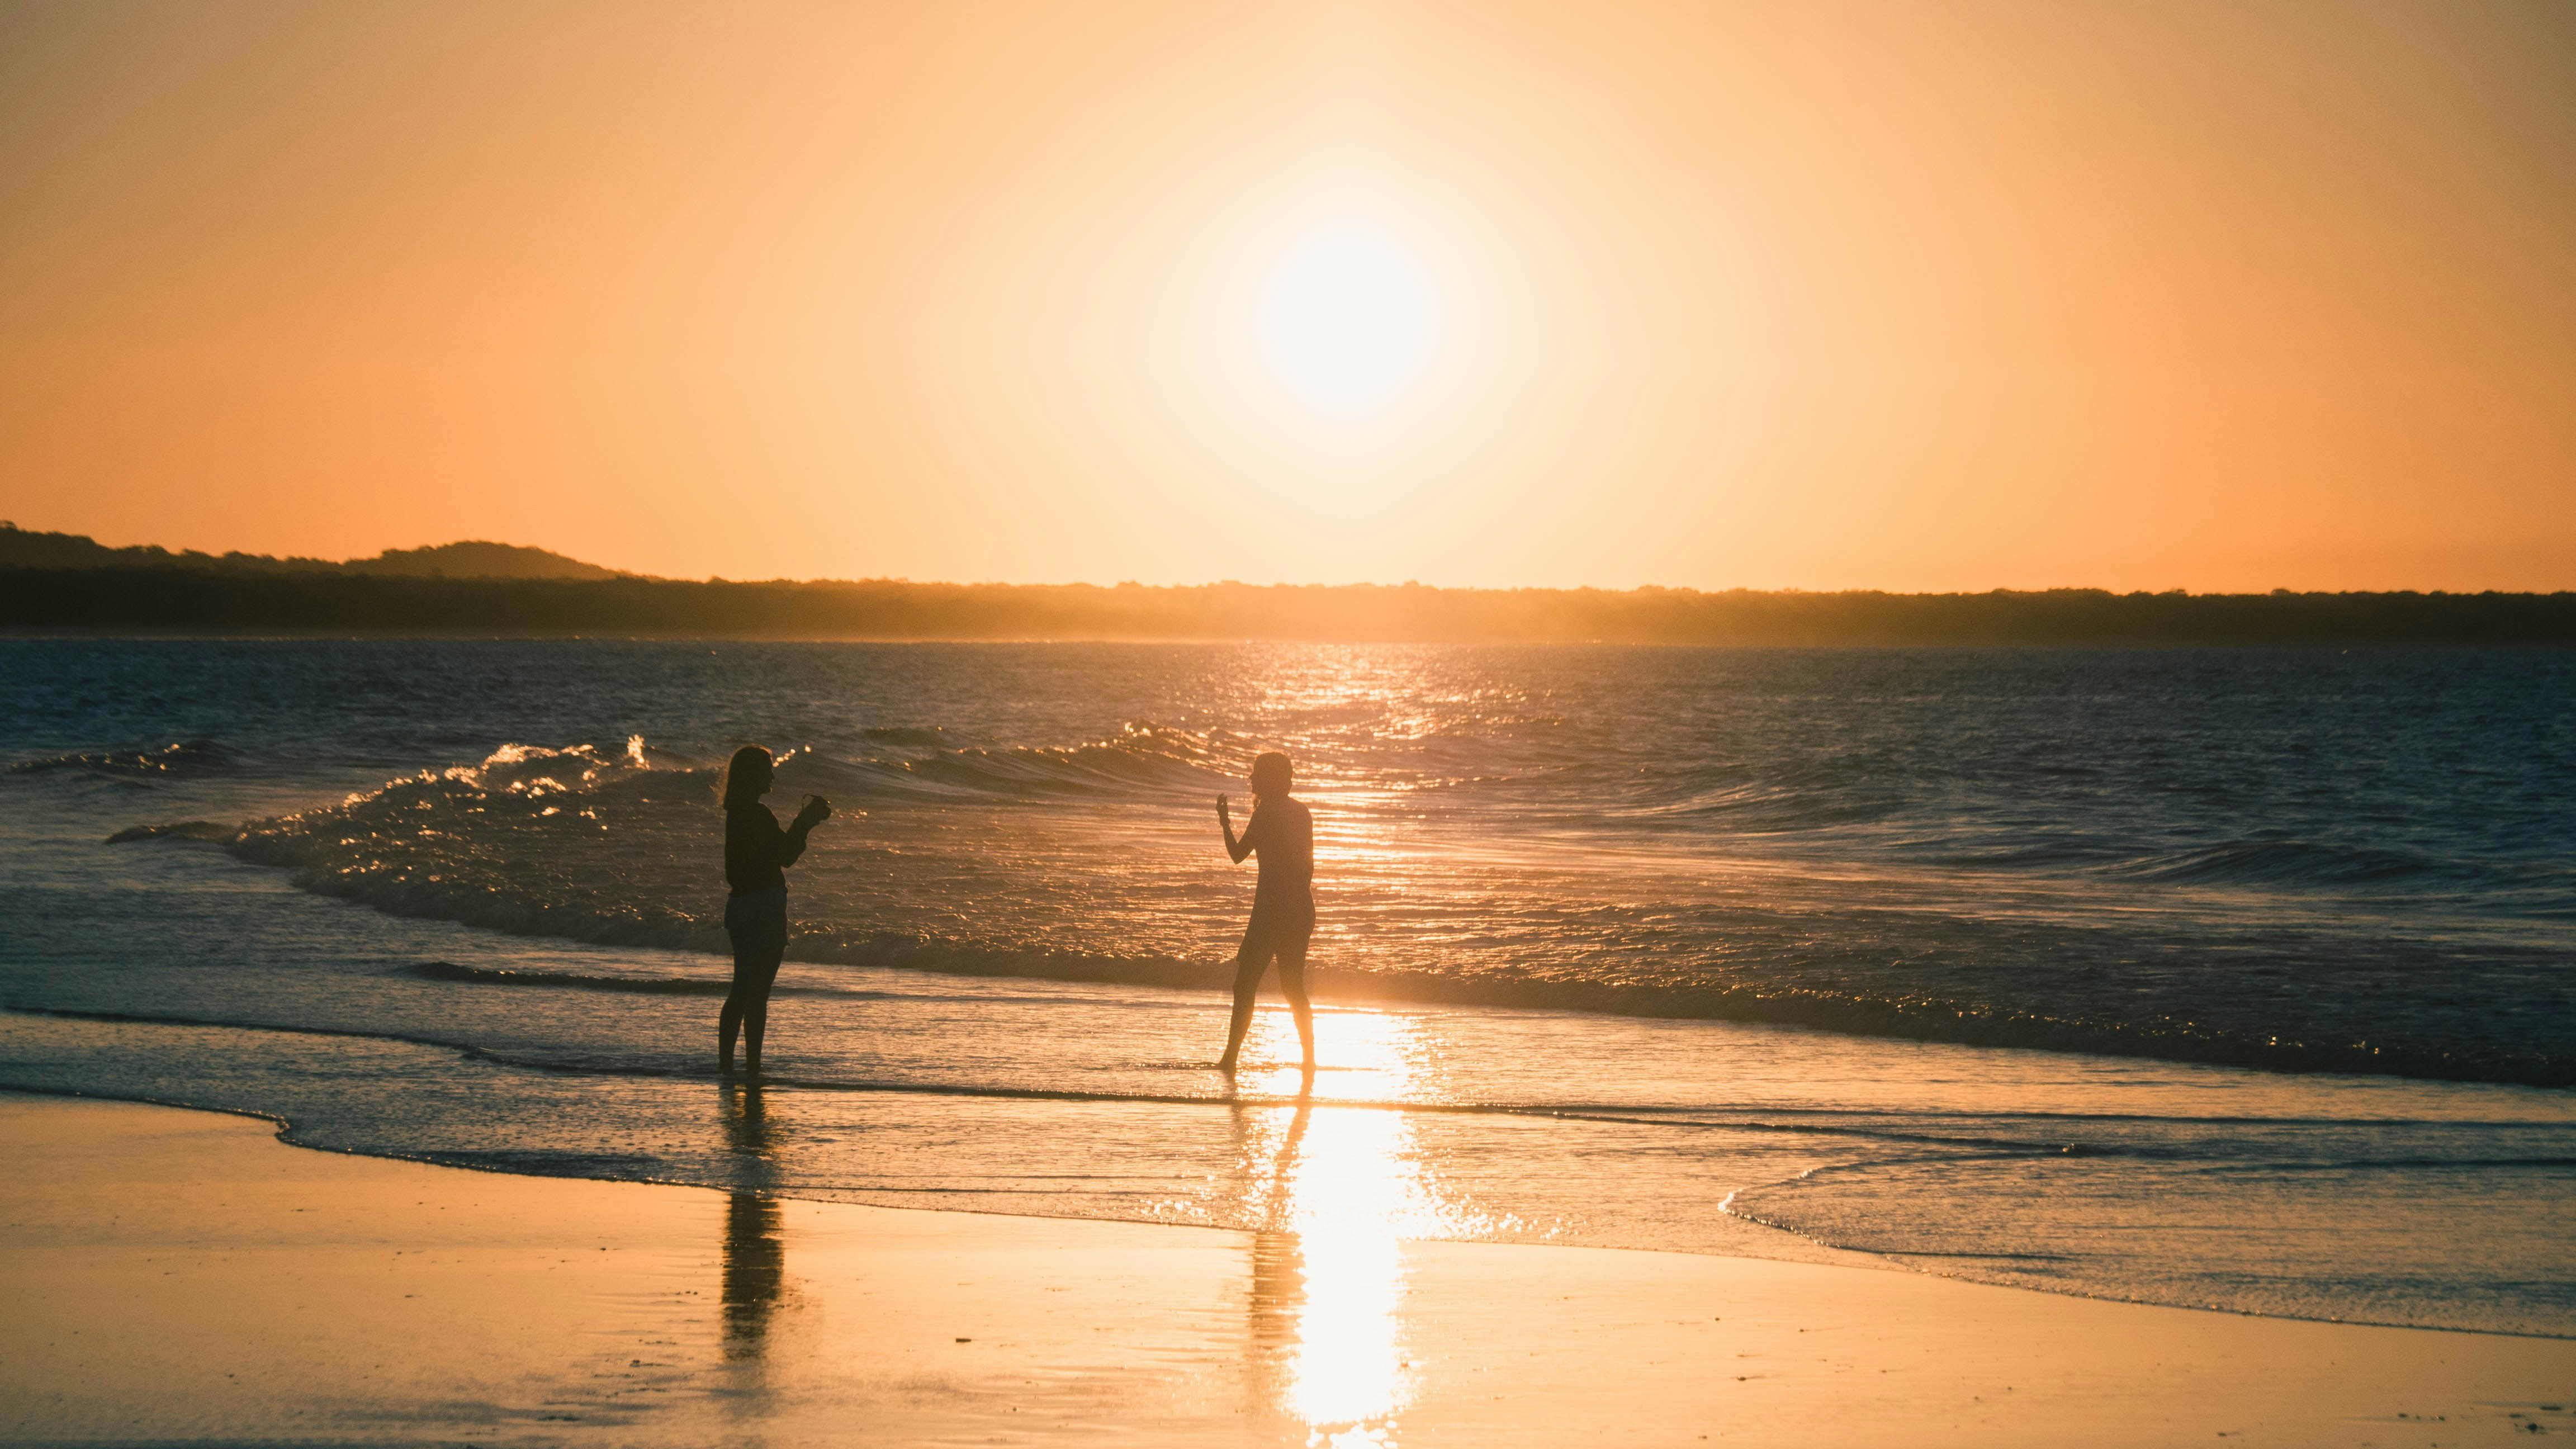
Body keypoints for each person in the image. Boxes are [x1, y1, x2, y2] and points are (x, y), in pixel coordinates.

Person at [718, 745, 831, 1075]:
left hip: (740, 906)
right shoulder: (757, 815)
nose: (772, 775)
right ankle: (752, 1066)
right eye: (767, 769)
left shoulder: (737, 814)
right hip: (764, 907)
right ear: (753, 775)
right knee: (757, 995)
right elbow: (786, 855)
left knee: (741, 990)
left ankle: (727, 1066)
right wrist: (806, 821)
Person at [1215, 750, 1316, 1074]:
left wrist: (1224, 821)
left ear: (1269, 779)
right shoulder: (1302, 812)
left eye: (1257, 774)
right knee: (1294, 988)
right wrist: (1296, 898)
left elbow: (1237, 855)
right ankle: (1310, 1060)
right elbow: (1308, 865)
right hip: (1300, 908)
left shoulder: (1266, 813)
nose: (1251, 779)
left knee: (1244, 985)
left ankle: (1230, 1059)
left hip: (1271, 910)